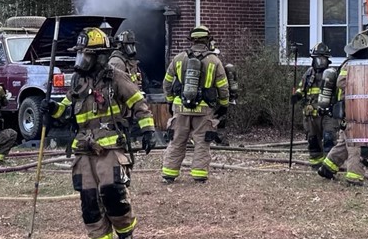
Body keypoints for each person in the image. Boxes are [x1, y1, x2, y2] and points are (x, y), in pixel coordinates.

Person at [42, 27, 156, 239]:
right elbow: (67, 110)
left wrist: (148, 130)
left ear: (100, 57)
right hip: (84, 149)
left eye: (86, 55)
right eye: (80, 54)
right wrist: (52, 110)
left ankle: (125, 234)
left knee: (113, 194)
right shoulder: (78, 81)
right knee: (89, 202)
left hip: (110, 148)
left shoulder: (117, 78)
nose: (81, 60)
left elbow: (139, 103)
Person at [160, 25, 230, 183]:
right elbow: (223, 87)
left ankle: (168, 174)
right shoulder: (214, 61)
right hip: (204, 110)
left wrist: (171, 102)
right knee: (202, 142)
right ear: (208, 41)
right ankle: (199, 176)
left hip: (180, 108)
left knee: (177, 141)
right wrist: (224, 105)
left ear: (191, 40)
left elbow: (167, 83)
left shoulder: (178, 59)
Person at [317, 33, 368, 186]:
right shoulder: (350, 65)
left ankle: (327, 168)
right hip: (353, 110)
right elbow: (341, 82)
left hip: (358, 110)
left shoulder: (365, 64)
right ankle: (354, 178)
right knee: (357, 143)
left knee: (345, 142)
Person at [291, 42, 339, 169]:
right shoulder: (308, 74)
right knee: (313, 142)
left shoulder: (332, 74)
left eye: (323, 59)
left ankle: (330, 167)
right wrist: (297, 95)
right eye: (318, 59)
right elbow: (302, 89)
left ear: (327, 59)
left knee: (329, 139)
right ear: (313, 59)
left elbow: (339, 93)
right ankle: (316, 166)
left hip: (328, 114)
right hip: (311, 115)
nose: (320, 62)